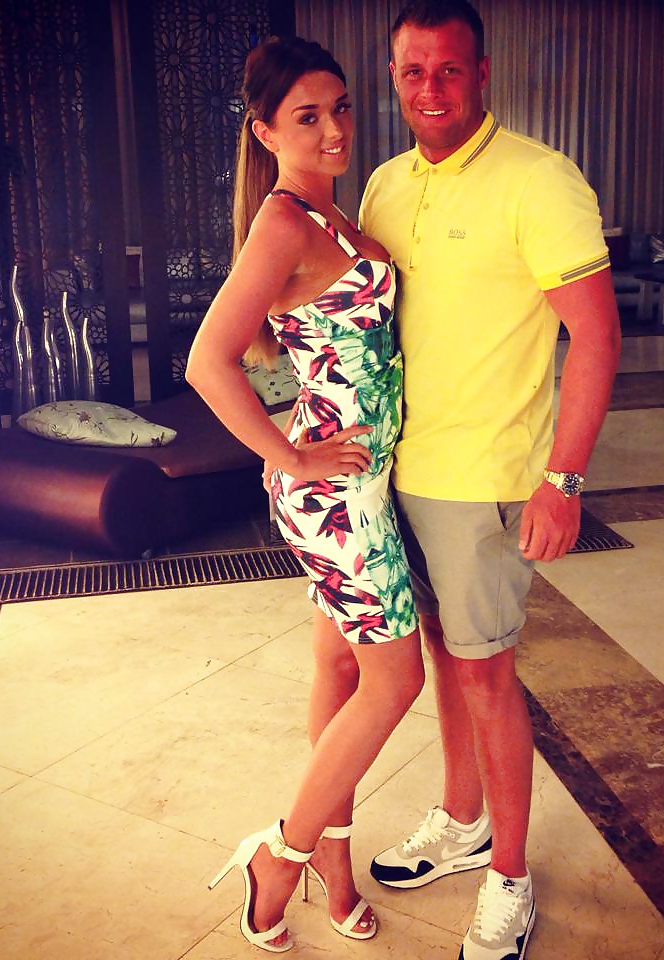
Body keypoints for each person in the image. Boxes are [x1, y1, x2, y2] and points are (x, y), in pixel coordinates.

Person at [359, 2, 622, 958]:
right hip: (401, 470)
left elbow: (596, 334)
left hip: (485, 479)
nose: (430, 89)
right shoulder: (385, 185)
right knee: (444, 653)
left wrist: (564, 479)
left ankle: (509, 876)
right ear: (394, 77)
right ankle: (462, 819)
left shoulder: (540, 180)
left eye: (449, 70)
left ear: (482, 73)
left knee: (487, 672)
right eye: (412, 71)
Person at [186, 36, 424, 953]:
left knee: (341, 673)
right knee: (397, 680)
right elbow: (209, 361)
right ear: (264, 131)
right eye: (308, 117)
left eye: (342, 107)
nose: (334, 130)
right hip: (338, 500)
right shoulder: (284, 223)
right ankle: (279, 858)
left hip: (364, 482)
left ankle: (334, 865)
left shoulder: (337, 216)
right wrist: (288, 453)